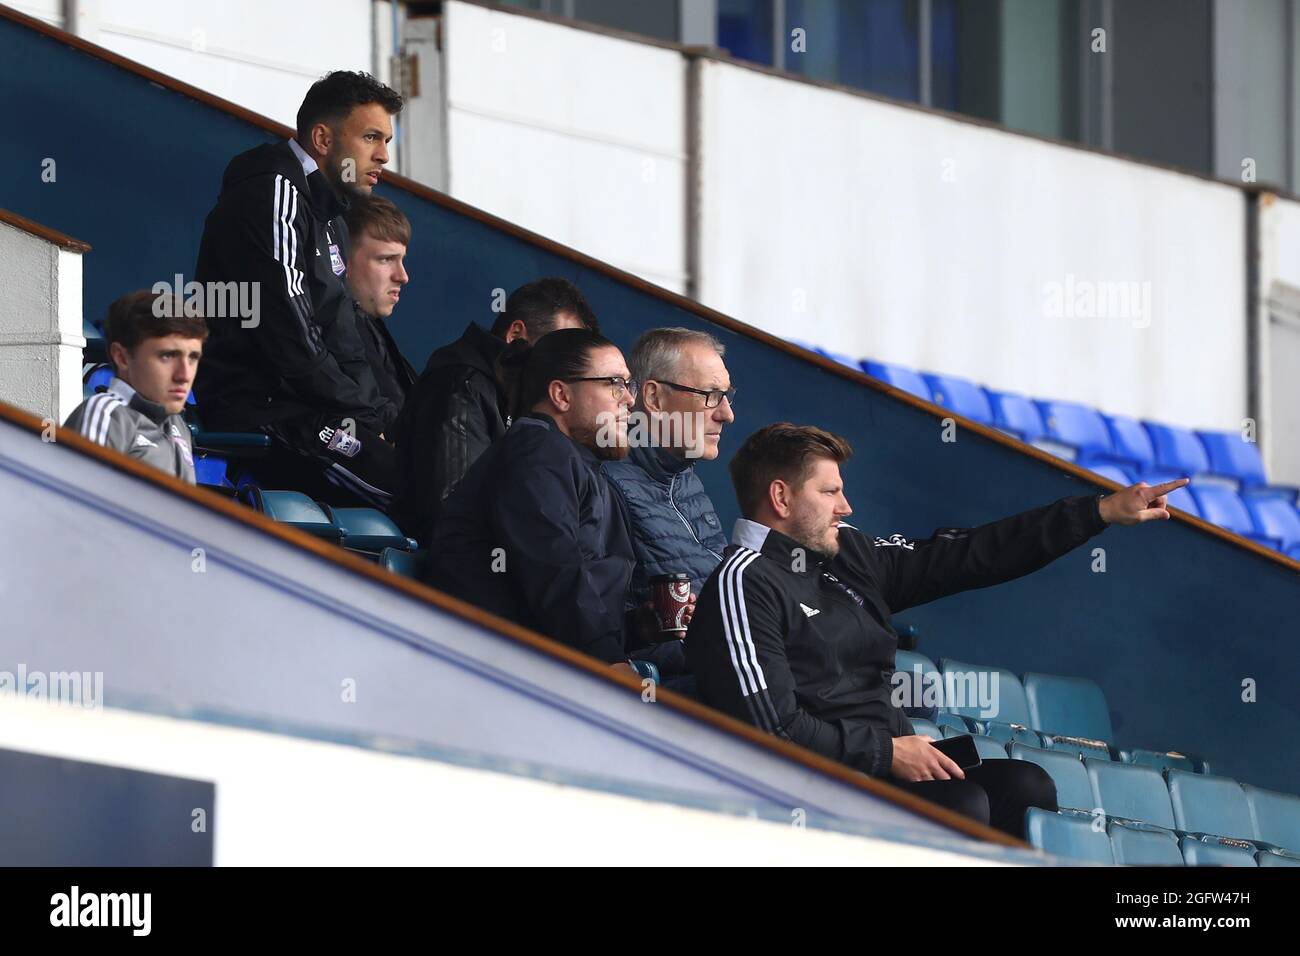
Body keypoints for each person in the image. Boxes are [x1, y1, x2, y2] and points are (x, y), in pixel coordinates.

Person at [687, 422, 1189, 837]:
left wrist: (1095, 513)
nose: (847, 506)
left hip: (882, 763)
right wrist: (885, 752)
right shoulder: (744, 581)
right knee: (962, 800)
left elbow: (968, 555)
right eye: (831, 491)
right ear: (780, 496)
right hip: (813, 782)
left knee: (1025, 784)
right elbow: (770, 728)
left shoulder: (848, 554)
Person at [193, 70, 405, 509]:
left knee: (434, 474)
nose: (384, 156)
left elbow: (344, 337)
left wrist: (382, 419)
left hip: (314, 408)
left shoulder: (332, 216)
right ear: (323, 139)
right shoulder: (275, 190)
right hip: (262, 409)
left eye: (386, 140)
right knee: (418, 493)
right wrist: (363, 418)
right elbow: (291, 335)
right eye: (371, 137)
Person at [429, 328, 641, 677]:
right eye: (615, 383)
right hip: (498, 673)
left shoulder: (575, 461)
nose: (629, 400)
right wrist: (609, 662)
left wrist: (639, 626)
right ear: (561, 395)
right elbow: (554, 570)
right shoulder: (537, 452)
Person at [394, 277, 599, 541]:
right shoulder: (460, 387)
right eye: (555, 350)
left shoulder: (518, 396)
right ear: (515, 334)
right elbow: (449, 511)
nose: (563, 368)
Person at [602, 328, 735, 676]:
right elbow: (610, 634)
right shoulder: (608, 483)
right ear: (655, 399)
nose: (726, 414)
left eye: (727, 396)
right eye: (710, 395)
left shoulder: (684, 477)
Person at [64, 290, 206, 483]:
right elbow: (77, 508)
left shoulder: (178, 425)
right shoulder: (106, 415)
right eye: (167, 356)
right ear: (122, 357)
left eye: (193, 358)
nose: (185, 375)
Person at [342, 194, 416, 437]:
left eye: (402, 260)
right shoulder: (328, 332)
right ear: (342, 260)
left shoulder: (371, 326)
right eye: (386, 259)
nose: (402, 276)